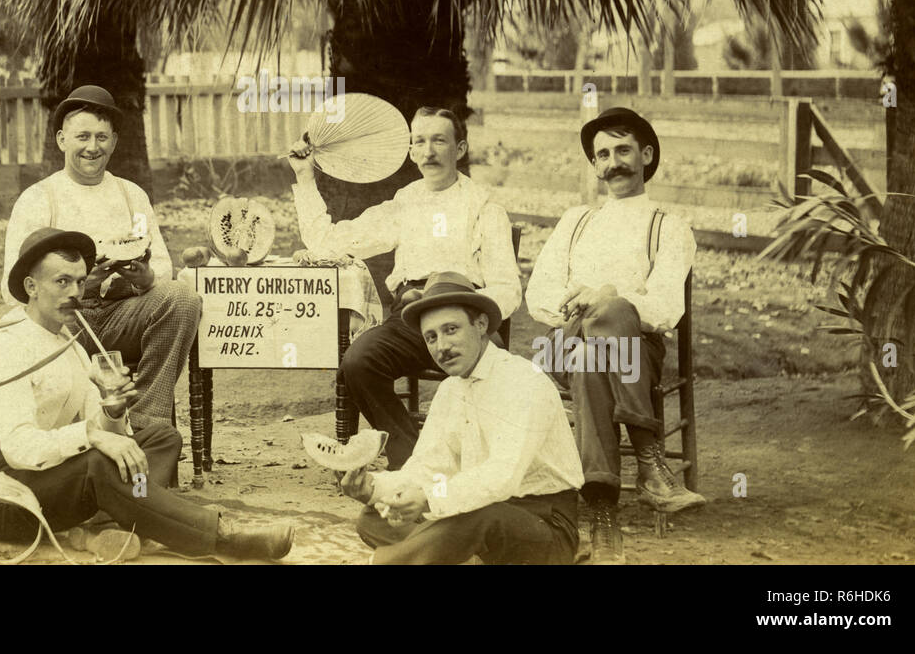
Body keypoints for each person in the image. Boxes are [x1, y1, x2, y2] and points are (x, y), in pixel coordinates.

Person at [0, 227, 295, 560]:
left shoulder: (70, 344)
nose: (75, 293)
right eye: (61, 282)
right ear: (30, 287)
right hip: (7, 496)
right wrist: (94, 435)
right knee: (98, 462)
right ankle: (219, 536)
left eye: (80, 282)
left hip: (53, 475)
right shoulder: (5, 346)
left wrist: (112, 409)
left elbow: (110, 434)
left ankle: (119, 518)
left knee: (161, 437)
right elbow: (19, 449)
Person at [288, 105, 521, 468]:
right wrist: (304, 177)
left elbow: (507, 287)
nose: (428, 151)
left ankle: (476, 467)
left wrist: (474, 318)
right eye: (420, 142)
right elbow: (328, 242)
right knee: (358, 360)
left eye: (439, 140)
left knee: (494, 378)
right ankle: (409, 456)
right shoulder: (406, 202)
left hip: (464, 315)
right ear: (411, 152)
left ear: (459, 149)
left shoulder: (485, 207)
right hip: (411, 317)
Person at [525, 106, 703, 565]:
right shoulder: (575, 220)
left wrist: (610, 299)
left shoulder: (669, 225)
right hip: (558, 344)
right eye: (602, 155)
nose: (612, 163)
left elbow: (665, 309)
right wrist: (587, 306)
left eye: (623, 150)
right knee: (597, 330)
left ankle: (603, 518)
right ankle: (650, 461)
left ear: (646, 155)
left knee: (595, 357)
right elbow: (538, 297)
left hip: (634, 351)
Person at [338, 272, 583, 564]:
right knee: (374, 517)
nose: (441, 346)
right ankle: (456, 556)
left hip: (542, 523)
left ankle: (393, 561)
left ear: (480, 325)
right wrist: (373, 488)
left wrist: (429, 499)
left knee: (477, 518)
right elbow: (428, 467)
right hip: (476, 513)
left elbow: (502, 477)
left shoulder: (523, 380)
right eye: (431, 337)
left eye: (451, 329)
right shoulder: (450, 390)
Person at [1, 85, 200, 420]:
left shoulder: (131, 195)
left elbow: (163, 267)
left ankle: (146, 419)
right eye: (82, 137)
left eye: (102, 137)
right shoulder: (39, 198)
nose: (92, 148)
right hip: (65, 320)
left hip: (122, 313)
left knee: (183, 299)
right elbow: (12, 288)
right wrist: (77, 285)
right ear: (62, 140)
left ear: (114, 142)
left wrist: (146, 277)